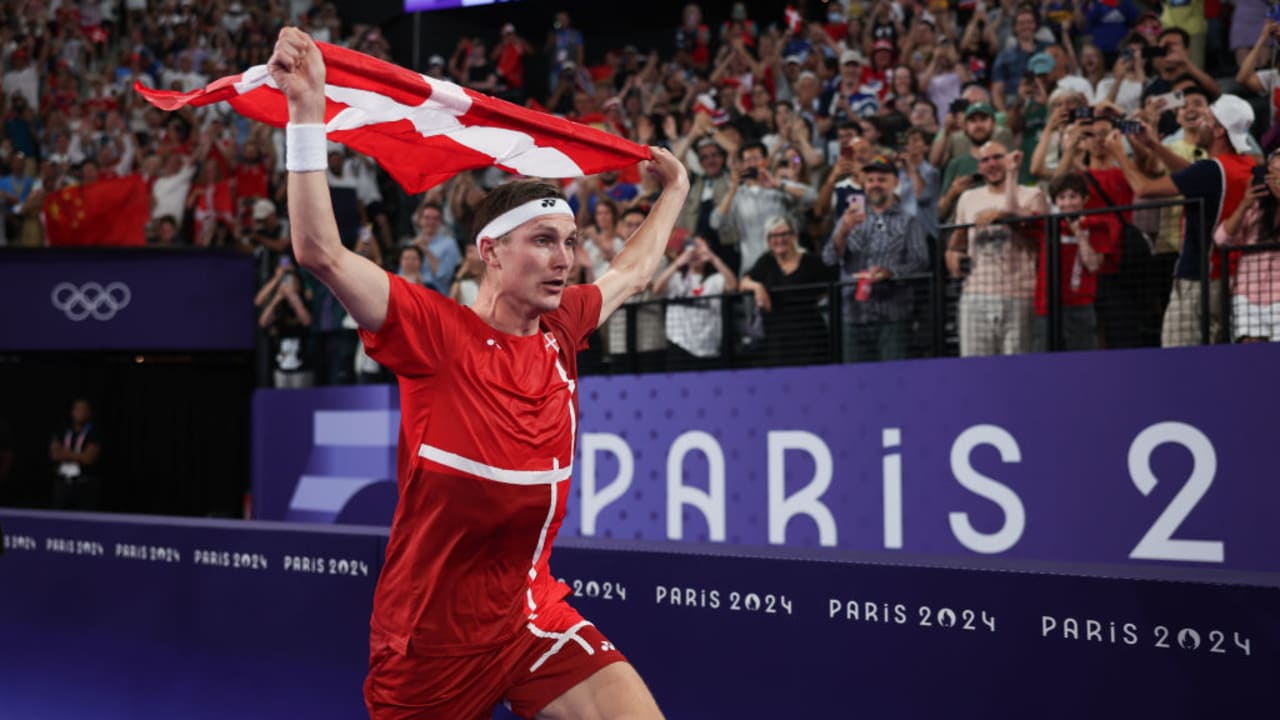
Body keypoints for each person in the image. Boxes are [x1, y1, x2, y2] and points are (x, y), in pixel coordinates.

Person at [268, 27, 684, 720]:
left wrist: (675, 187)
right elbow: (319, 252)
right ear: (491, 251)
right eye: (544, 241)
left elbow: (635, 269)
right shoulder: (432, 331)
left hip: (530, 615)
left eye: (572, 244)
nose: (565, 260)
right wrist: (306, 111)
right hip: (430, 642)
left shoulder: (562, 327)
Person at [1109, 94, 1257, 346]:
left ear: (1219, 131)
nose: (1200, 122)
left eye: (1207, 119)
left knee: (1178, 354)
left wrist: (1119, 154)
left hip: (1198, 278)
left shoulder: (1211, 170)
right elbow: (1191, 175)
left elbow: (1143, 188)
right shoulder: (1246, 164)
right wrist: (1154, 145)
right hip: (1227, 275)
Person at [822, 157, 930, 362]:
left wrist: (891, 273)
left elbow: (920, 262)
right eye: (870, 180)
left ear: (895, 183)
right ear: (863, 183)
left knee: (894, 383)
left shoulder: (909, 221)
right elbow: (829, 259)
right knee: (855, 384)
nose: (875, 185)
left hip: (893, 317)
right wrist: (843, 231)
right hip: (854, 317)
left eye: (882, 179)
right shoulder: (848, 218)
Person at [947, 143, 1049, 356]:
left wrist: (1003, 216)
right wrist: (953, 256)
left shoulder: (1033, 195)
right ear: (979, 167)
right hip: (975, 295)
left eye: (997, 157)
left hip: (1020, 294)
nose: (992, 164)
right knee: (975, 369)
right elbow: (957, 244)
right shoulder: (967, 198)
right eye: (985, 160)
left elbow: (1042, 245)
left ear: (1010, 159)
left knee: (1018, 370)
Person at [737, 215, 837, 367]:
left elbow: (830, 285)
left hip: (810, 337)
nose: (779, 240)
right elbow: (743, 283)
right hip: (777, 339)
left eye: (784, 234)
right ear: (768, 240)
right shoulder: (766, 262)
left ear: (794, 236)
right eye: (773, 236)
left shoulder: (810, 261)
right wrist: (757, 287)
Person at [1214, 150, 1280, 342]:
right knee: (1250, 352)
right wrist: (1244, 204)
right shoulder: (1255, 208)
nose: (1274, 179)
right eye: (1272, 173)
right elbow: (1222, 239)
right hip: (1247, 292)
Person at [652, 235, 738, 370]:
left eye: (700, 248)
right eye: (692, 247)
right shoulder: (676, 278)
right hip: (679, 345)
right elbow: (657, 289)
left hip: (708, 347)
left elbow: (733, 285)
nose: (695, 253)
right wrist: (677, 263)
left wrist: (713, 258)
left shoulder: (714, 280)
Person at [49, 398, 103, 511]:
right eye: (77, 409)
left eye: (83, 409)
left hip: (85, 484)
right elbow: (54, 454)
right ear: (72, 412)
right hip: (63, 483)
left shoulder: (94, 432)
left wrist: (65, 453)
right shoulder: (63, 429)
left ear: (89, 412)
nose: (80, 412)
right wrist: (79, 455)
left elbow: (88, 459)